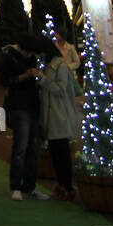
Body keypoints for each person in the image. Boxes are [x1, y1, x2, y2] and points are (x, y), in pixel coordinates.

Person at [0, 34, 50, 201]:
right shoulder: (8, 56)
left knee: (34, 147)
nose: (32, 56)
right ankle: (15, 186)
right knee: (20, 146)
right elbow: (5, 81)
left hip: (33, 104)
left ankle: (29, 186)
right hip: (18, 105)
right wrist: (26, 75)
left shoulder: (31, 58)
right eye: (31, 53)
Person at [37, 35, 80, 201]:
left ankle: (67, 186)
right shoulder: (49, 67)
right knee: (56, 153)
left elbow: (61, 89)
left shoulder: (60, 67)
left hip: (59, 114)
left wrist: (43, 80)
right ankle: (62, 185)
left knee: (62, 153)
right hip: (51, 115)